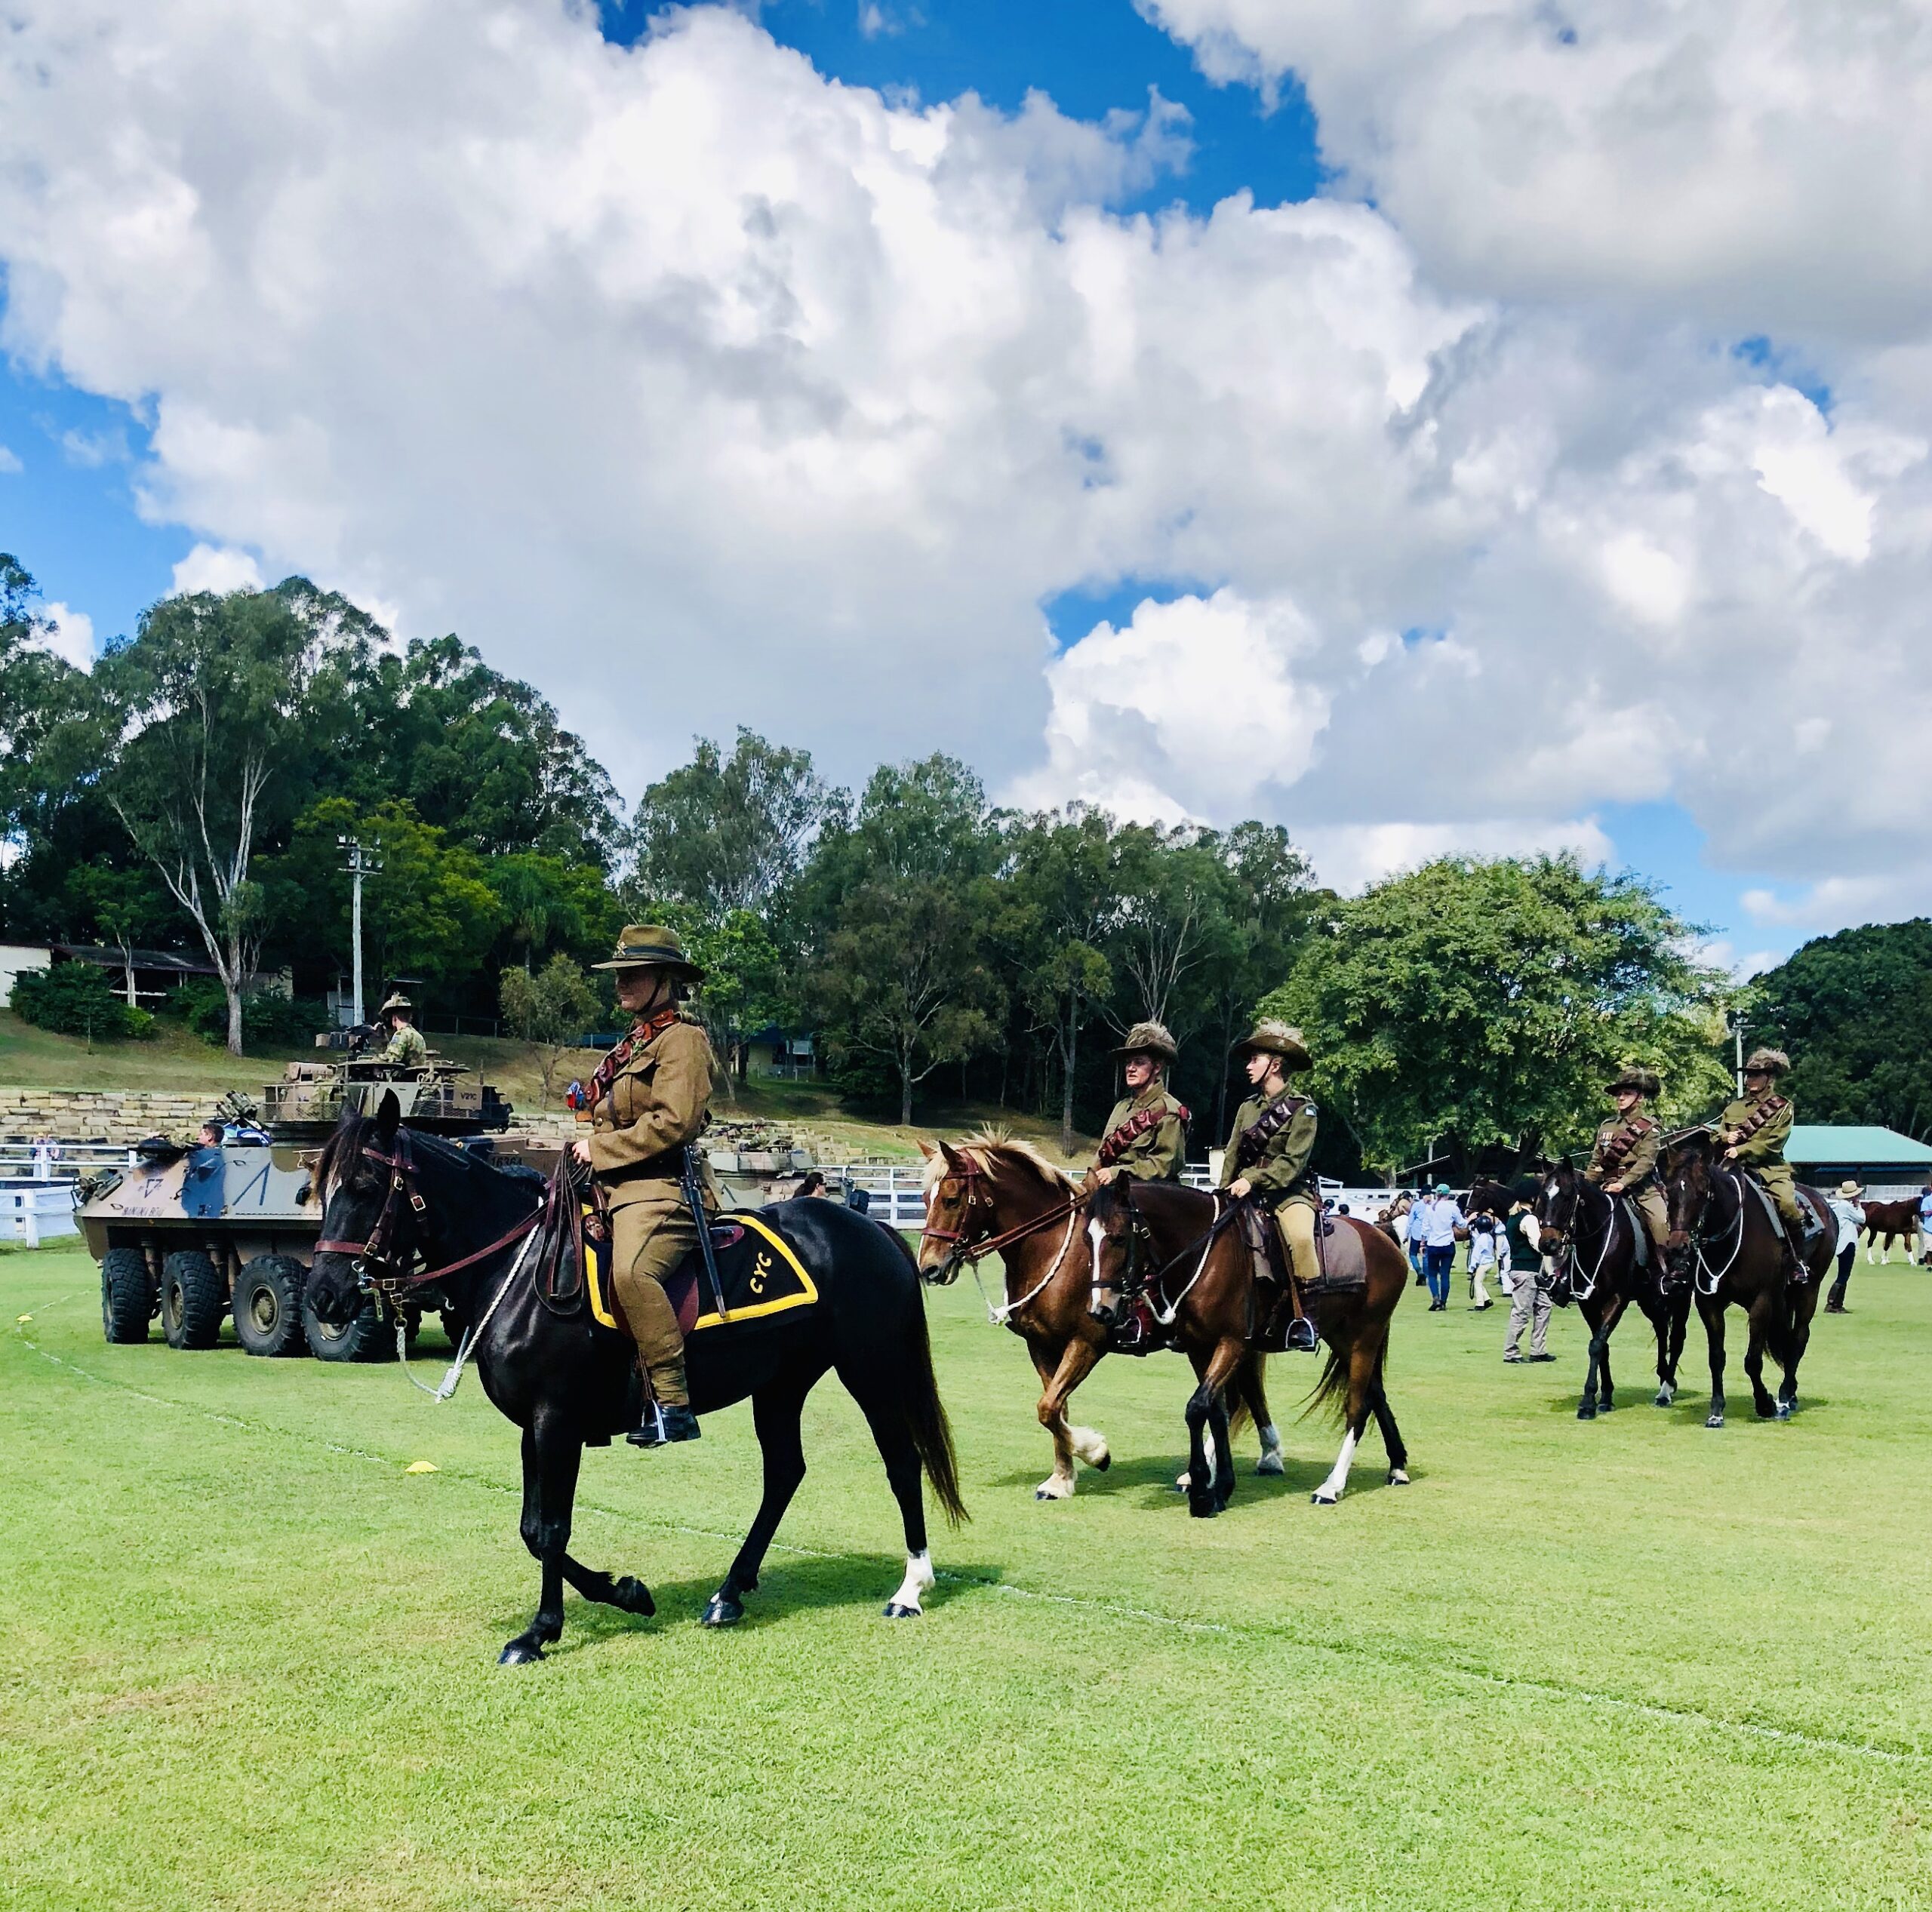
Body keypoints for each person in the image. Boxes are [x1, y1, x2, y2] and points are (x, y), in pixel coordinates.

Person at [569, 924, 716, 1448]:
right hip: (608, 1186)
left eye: (633, 975)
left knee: (631, 1273)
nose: (621, 984)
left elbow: (676, 1121)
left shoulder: (684, 1041)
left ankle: (673, 1405)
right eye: (619, 975)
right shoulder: (633, 1046)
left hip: (660, 1191)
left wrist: (601, 1149)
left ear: (667, 979)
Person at [1218, 1019, 1320, 1353]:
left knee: (1302, 1239)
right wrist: (1222, 1191)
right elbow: (1232, 1155)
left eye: (1254, 1060)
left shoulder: (1304, 1109)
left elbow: (1292, 1163)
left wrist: (1253, 1179)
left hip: (1288, 1194)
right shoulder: (1247, 1108)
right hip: (1243, 1193)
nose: (1248, 1067)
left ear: (1275, 1065)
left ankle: (1306, 1319)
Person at [1717, 1047, 1818, 1281]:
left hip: (1769, 1169)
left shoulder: (1782, 1107)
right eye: (1749, 1074)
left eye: (1756, 1074)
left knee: (1787, 1203)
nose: (1750, 1079)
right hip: (1729, 1168)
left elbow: (1772, 1144)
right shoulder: (1734, 1108)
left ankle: (1796, 1261)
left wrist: (1740, 1149)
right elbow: (1718, 1133)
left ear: (1769, 1078)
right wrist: (1724, 1137)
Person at [1584, 1065, 1669, 1261]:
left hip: (1641, 1190)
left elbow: (1646, 1162)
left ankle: (1670, 1269)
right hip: (1606, 1187)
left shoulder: (1649, 1127)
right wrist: (1587, 1186)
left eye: (1627, 1093)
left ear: (1640, 1098)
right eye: (1619, 1094)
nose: (1620, 1098)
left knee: (1660, 1222)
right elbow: (1596, 1161)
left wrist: (1622, 1183)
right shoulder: (1607, 1126)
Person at [1090, 1022, 1189, 1185]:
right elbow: (1102, 1154)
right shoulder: (1121, 1107)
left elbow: (1163, 1166)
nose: (1130, 1068)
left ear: (1157, 1067)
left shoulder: (1169, 1111)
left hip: (1147, 1201)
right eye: (1128, 1063)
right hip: (1110, 1194)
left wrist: (1116, 1173)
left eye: (1139, 1062)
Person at [1501, 1179, 1555, 1363]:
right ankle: (1511, 1352)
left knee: (1545, 1307)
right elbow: (1538, 1244)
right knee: (1522, 1312)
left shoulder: (1513, 1217)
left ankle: (1538, 1349)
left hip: (1526, 1270)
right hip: (1528, 1270)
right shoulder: (1529, 1219)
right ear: (1534, 1198)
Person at [1421, 1182, 1465, 1311]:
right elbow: (1462, 1224)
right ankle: (1444, 1302)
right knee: (1445, 1274)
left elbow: (1425, 1228)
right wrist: (1472, 1218)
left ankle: (1435, 1298)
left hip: (1433, 1244)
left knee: (1432, 1274)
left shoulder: (1430, 1208)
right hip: (1448, 1244)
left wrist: (1422, 1243)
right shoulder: (1452, 1208)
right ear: (1448, 1194)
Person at [1826, 1181, 1866, 1314]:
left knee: (1843, 1274)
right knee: (1844, 1275)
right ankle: (1833, 1303)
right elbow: (1862, 1218)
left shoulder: (1840, 1206)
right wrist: (1859, 1206)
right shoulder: (1846, 1206)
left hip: (1842, 1242)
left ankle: (1836, 1303)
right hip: (1847, 1243)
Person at [369, 993, 429, 1069]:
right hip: (415, 1078)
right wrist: (385, 1040)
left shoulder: (401, 1034)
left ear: (394, 1018)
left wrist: (372, 1060)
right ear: (410, 1017)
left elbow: (392, 1058)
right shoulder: (418, 1036)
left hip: (404, 1078)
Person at [1466, 1212, 1497, 1311]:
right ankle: (1487, 1299)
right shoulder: (1489, 1237)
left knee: (1477, 1283)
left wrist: (1471, 1268)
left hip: (1483, 1264)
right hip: (1489, 1263)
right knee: (1479, 1282)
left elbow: (1476, 1254)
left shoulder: (1480, 1239)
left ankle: (1480, 1304)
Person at [1404, 1191, 1429, 1286]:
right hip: (1428, 1234)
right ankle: (1425, 1275)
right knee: (1425, 1255)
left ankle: (1419, 1271)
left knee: (1413, 1254)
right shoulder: (1432, 1205)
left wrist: (1406, 1235)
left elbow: (1410, 1221)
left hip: (1416, 1233)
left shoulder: (1416, 1205)